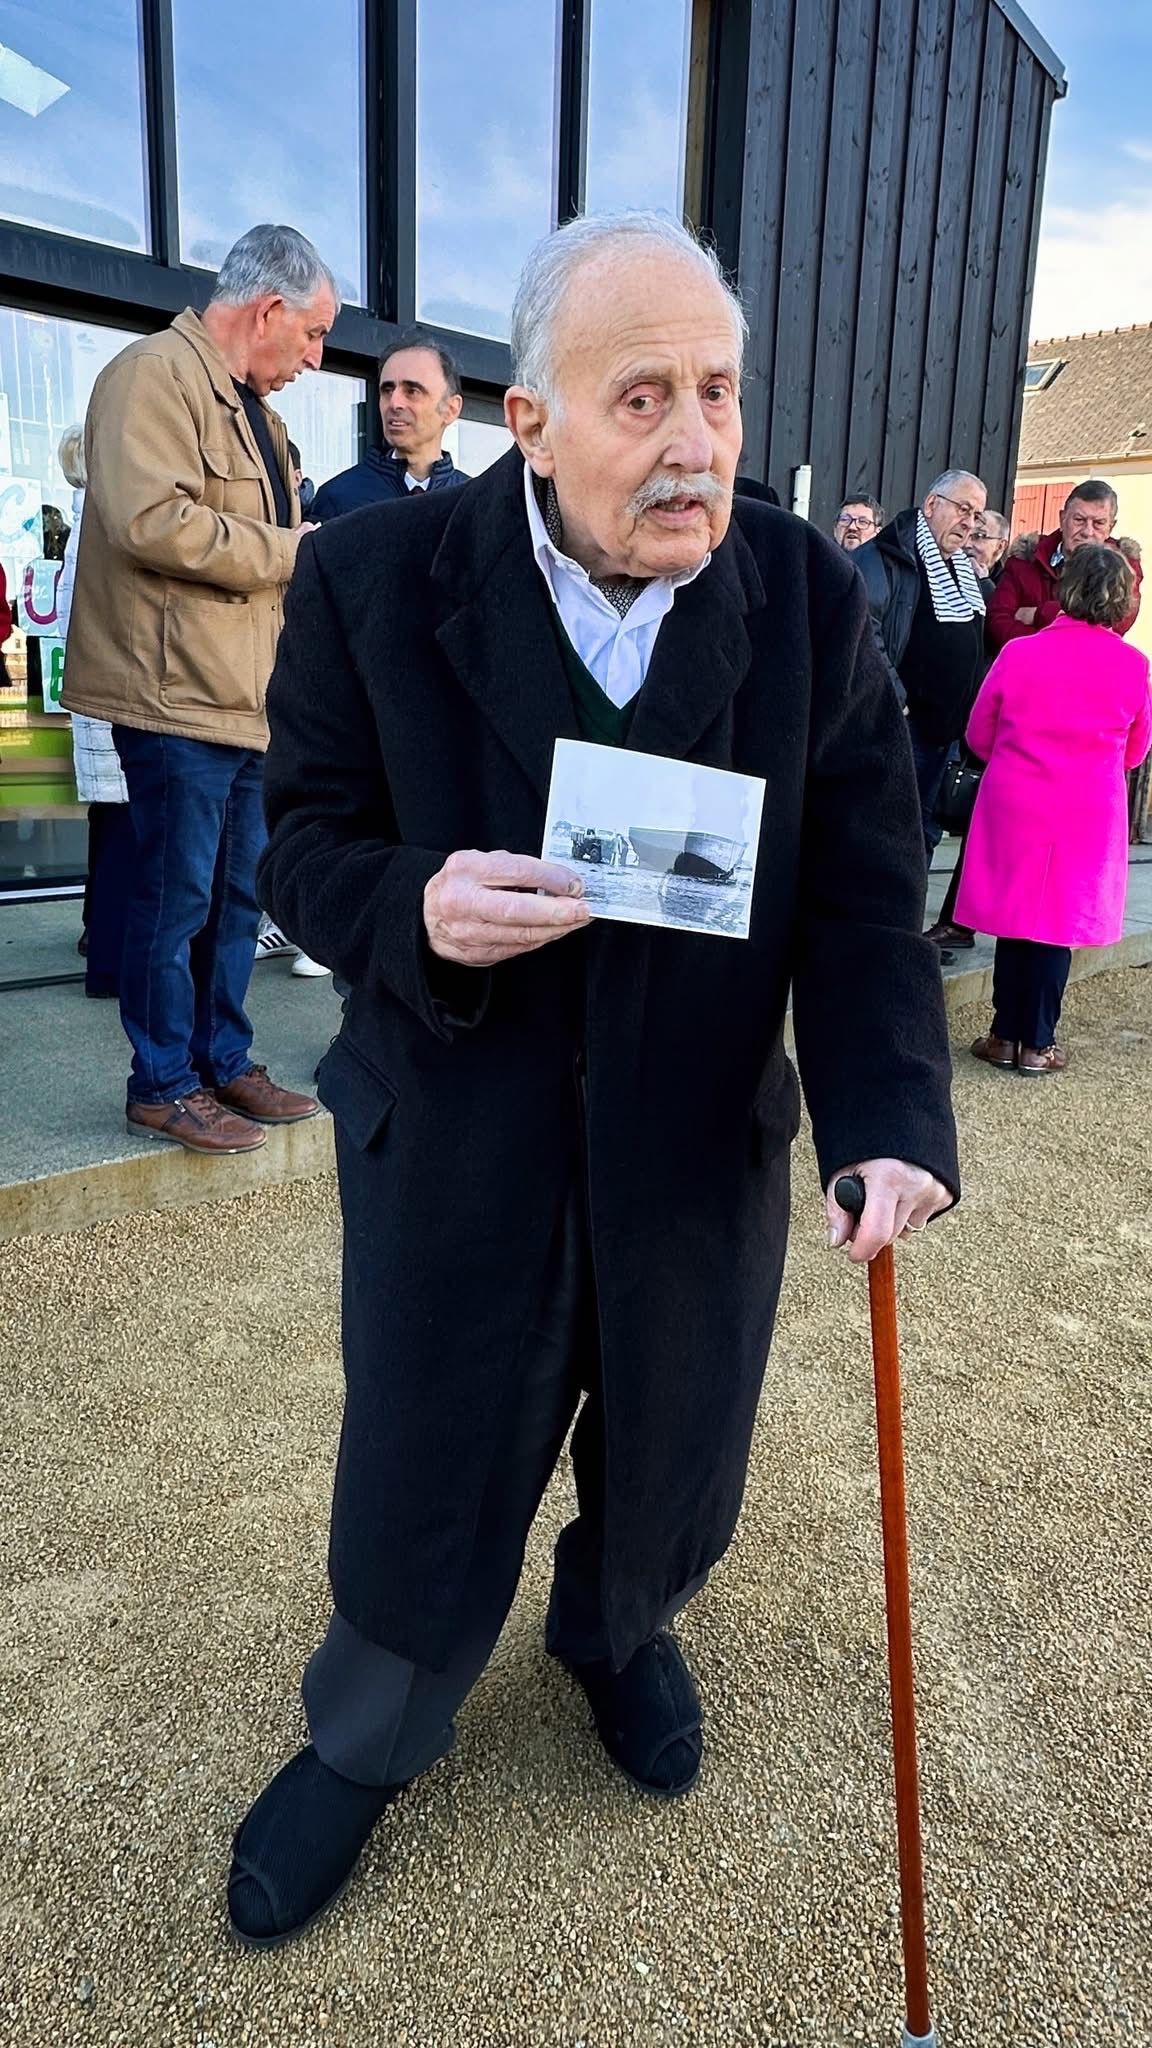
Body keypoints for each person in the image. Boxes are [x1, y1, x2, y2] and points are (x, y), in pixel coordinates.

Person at [226, 209, 959, 1951]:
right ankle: (375, 1720)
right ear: (529, 414)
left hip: (697, 1137)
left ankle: (616, 1629)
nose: (697, 438)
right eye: (642, 396)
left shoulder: (802, 601)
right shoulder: (372, 579)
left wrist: (883, 1121)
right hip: (455, 1124)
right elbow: (301, 839)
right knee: (423, 1457)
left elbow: (862, 897)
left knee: (673, 1439)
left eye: (714, 387)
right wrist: (413, 903)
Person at [60, 222, 336, 1155]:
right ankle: (161, 1081)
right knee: (174, 900)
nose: (316, 356)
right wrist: (290, 553)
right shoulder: (150, 377)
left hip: (244, 702)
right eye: (311, 334)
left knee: (238, 900)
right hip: (174, 696)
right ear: (267, 310)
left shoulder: (257, 410)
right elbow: (149, 521)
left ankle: (224, 1060)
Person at [961, 544, 1151, 1076]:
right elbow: (1135, 751)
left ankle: (1003, 1034)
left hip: (1017, 798)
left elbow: (979, 735)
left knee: (1015, 916)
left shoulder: (1019, 654)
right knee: (1057, 924)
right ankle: (1037, 1043)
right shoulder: (1134, 666)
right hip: (1087, 807)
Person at [854, 469, 988, 864]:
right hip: (906, 726)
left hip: (947, 734)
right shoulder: (890, 556)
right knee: (888, 833)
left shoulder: (962, 569)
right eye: (964, 509)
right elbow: (866, 630)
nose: (970, 523)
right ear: (932, 504)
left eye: (977, 515)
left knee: (925, 835)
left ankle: (908, 919)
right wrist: (898, 699)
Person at [54, 425, 136, 999]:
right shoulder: (102, 520)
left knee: (110, 831)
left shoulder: (82, 520)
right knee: (125, 840)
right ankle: (109, 963)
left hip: (99, 701)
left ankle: (97, 942)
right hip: (117, 702)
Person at [925, 506, 1014, 950]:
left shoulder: (991, 590)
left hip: (985, 719)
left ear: (1000, 549)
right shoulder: (951, 580)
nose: (973, 541)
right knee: (929, 817)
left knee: (967, 826)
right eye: (972, 532)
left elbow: (1008, 633)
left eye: (984, 536)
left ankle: (963, 920)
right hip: (951, 718)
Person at [311, 330, 468, 520]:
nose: (394, 403)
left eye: (412, 391)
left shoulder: (475, 503)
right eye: (387, 390)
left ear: (451, 409)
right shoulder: (338, 499)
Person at [987, 480, 1143, 650]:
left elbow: (1115, 624)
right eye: (1079, 520)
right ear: (1062, 518)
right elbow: (996, 624)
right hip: (1026, 671)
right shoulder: (1025, 559)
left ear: (1111, 527)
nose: (1087, 532)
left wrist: (1040, 613)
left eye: (1098, 523)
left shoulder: (1124, 569)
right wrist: (1056, 648)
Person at [965, 509, 1009, 583]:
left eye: (978, 536)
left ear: (1000, 546)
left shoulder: (1012, 585)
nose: (966, 544)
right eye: (965, 535)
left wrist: (984, 582)